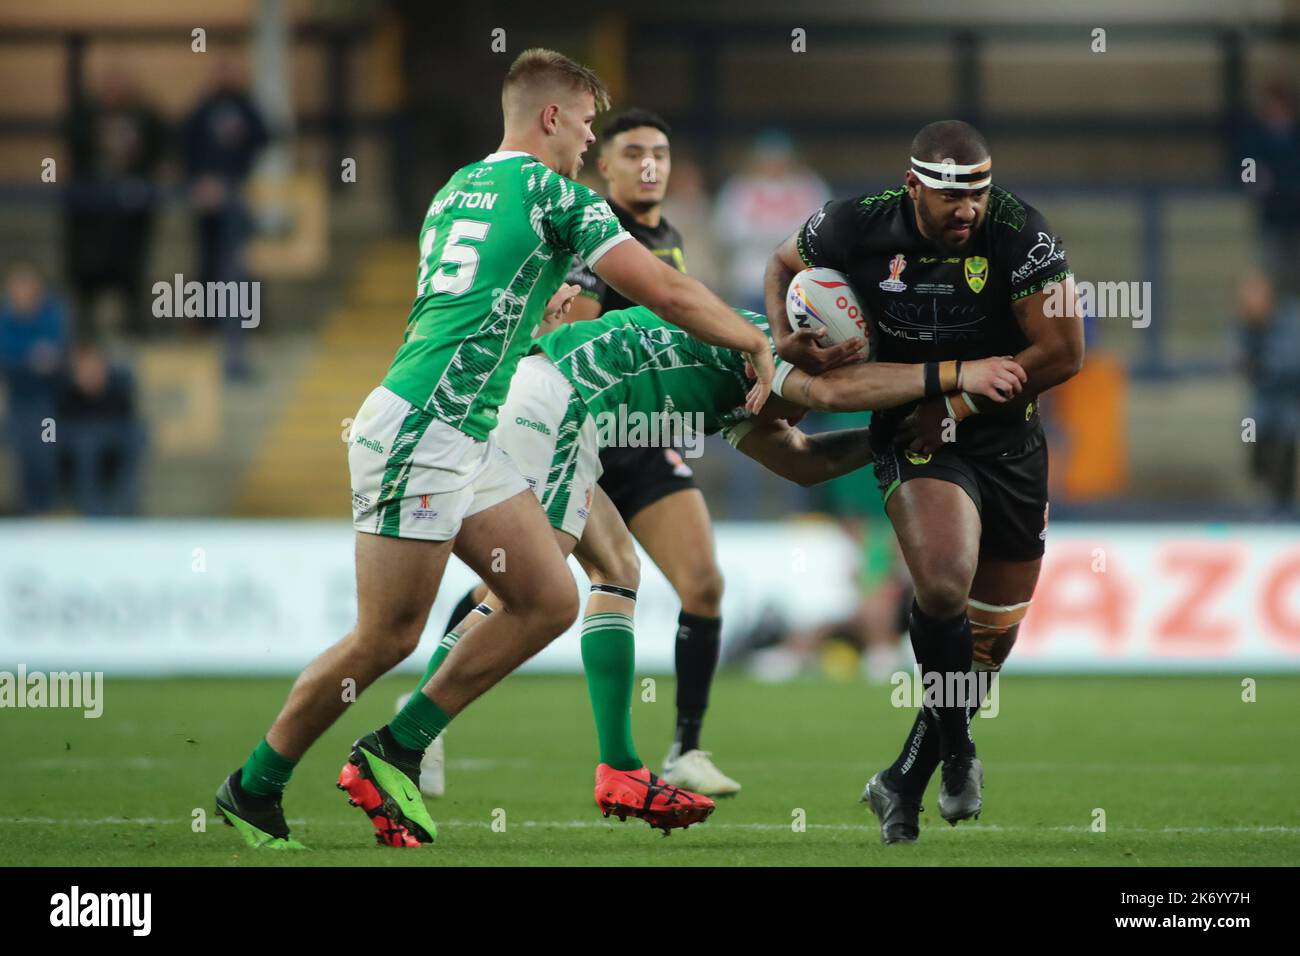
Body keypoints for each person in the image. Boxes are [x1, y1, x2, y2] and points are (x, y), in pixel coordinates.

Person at [213, 47, 775, 850]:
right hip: (423, 428)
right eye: (584, 125)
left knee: (547, 599)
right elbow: (669, 291)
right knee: (386, 637)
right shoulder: (556, 192)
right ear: (551, 118)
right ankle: (255, 785)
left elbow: (481, 296)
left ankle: (393, 749)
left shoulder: (458, 187)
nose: (590, 143)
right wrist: (754, 346)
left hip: (457, 429)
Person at [405, 302, 1024, 831]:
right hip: (557, 404)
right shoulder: (762, 352)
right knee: (532, 596)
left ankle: (618, 768)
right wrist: (942, 393)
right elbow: (824, 393)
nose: (811, 406)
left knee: (616, 570)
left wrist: (888, 440)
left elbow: (803, 463)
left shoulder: (752, 372)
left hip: (568, 411)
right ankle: (409, 737)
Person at [764, 119, 1085, 844]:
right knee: (941, 585)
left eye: (978, 192)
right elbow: (781, 262)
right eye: (950, 196)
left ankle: (902, 779)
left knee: (985, 649)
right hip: (913, 433)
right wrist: (783, 336)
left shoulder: (1024, 234)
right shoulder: (853, 223)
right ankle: (961, 752)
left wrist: (962, 402)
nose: (968, 208)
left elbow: (1064, 352)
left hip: (1008, 446)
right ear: (914, 187)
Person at [428, 108, 744, 798]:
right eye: (633, 153)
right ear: (606, 165)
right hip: (580, 425)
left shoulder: (667, 237)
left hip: (644, 437)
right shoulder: (589, 229)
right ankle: (425, 716)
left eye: (660, 152)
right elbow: (569, 329)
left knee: (703, 583)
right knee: (521, 587)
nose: (649, 165)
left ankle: (685, 749)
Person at [182, 56, 270, 380]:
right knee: (208, 263)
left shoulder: (246, 108)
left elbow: (266, 136)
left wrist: (237, 178)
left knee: (241, 266)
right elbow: (187, 143)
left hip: (238, 202)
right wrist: (199, 181)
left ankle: (248, 323)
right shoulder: (203, 108)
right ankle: (205, 322)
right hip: (208, 206)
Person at [64, 68, 166, 339]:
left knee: (130, 273)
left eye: (121, 86)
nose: (115, 92)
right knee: (88, 274)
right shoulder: (87, 118)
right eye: (110, 86)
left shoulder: (144, 116)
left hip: (129, 216)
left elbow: (159, 149)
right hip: (92, 216)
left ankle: (134, 327)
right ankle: (85, 330)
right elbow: (73, 147)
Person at [715, 131, 830, 311]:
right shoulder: (739, 187)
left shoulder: (808, 185)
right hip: (749, 279)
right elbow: (727, 231)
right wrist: (778, 235)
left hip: (796, 281)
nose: (774, 165)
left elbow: (820, 228)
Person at [0, 262, 68, 513]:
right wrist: (31, 359)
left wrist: (35, 360)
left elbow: (57, 353)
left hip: (45, 403)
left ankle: (47, 507)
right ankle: (27, 509)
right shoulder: (5, 320)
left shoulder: (52, 316)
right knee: (23, 453)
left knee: (45, 449)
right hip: (17, 401)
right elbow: (7, 356)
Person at [55, 346, 146, 516]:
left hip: (112, 444)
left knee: (139, 436)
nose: (90, 374)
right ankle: (94, 512)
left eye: (95, 368)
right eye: (85, 370)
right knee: (87, 443)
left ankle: (126, 509)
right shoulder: (65, 393)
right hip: (77, 448)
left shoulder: (118, 389)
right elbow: (53, 430)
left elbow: (128, 420)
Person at [1237, 268, 1300, 513]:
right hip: (1263, 400)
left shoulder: (1289, 320)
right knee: (1249, 426)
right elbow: (1243, 366)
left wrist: (1264, 367)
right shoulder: (1244, 328)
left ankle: (1283, 497)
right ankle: (1260, 481)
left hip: (1290, 398)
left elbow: (1290, 365)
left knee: (1287, 427)